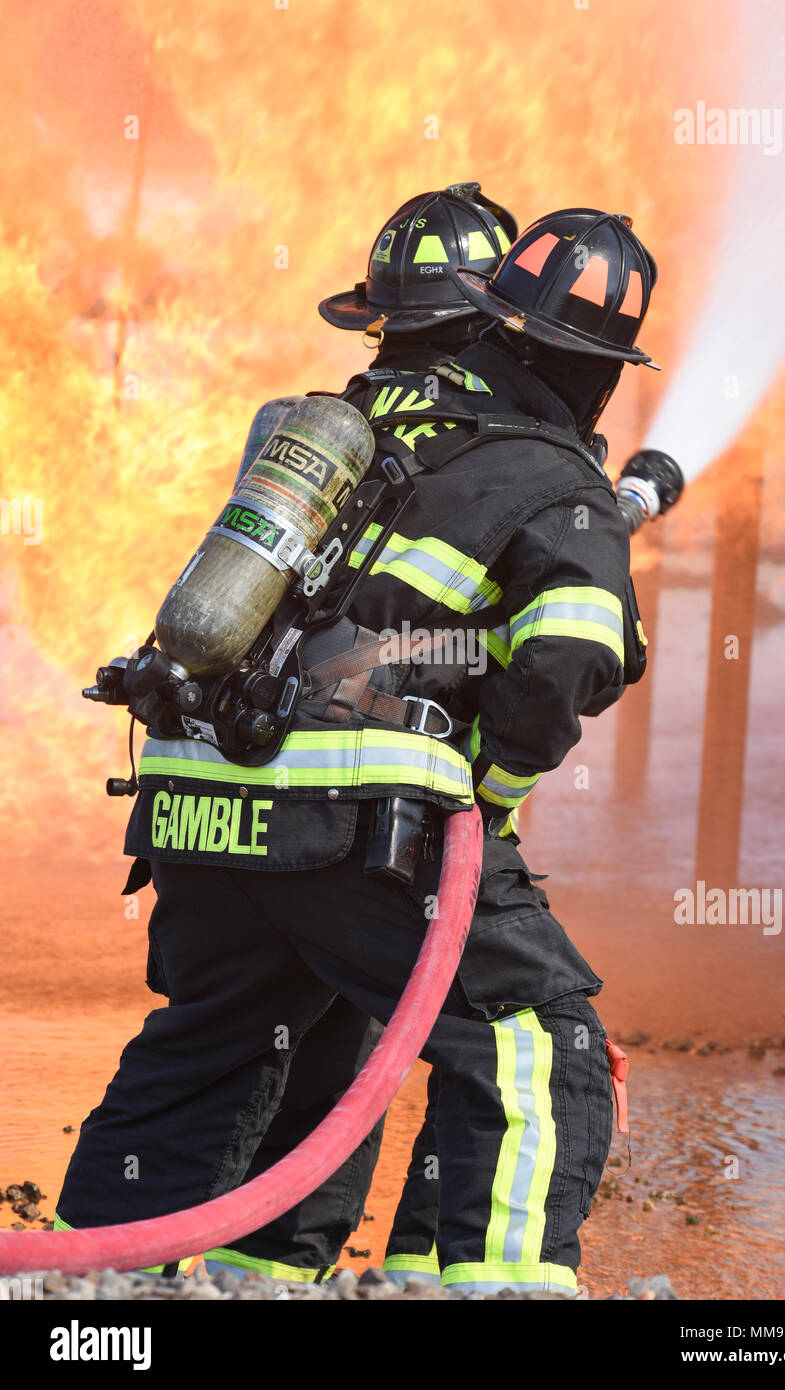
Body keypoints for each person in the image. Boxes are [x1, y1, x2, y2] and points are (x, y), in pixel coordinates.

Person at [56, 206, 658, 1296]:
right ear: (595, 371)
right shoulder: (556, 481)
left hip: (196, 795)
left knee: (240, 1038)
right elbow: (567, 658)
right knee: (531, 1036)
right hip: (346, 812)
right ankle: (499, 1290)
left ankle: (89, 1298)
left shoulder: (356, 429)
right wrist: (495, 791)